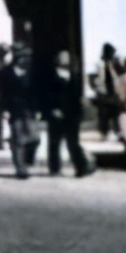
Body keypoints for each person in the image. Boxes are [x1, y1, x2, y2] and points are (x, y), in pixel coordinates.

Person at [36, 50, 96, 178]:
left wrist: (79, 113)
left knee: (73, 143)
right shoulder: (51, 77)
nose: (65, 61)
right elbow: (46, 96)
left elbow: (77, 97)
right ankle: (54, 168)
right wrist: (52, 109)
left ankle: (81, 167)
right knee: (54, 143)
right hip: (56, 114)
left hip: (71, 115)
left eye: (67, 58)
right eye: (63, 58)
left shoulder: (74, 76)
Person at [0, 45, 37, 178]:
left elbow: (35, 93)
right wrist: (4, 109)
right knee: (18, 139)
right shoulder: (5, 73)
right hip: (13, 109)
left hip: (28, 110)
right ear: (17, 58)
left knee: (34, 138)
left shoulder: (30, 73)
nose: (26, 60)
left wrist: (36, 109)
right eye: (24, 57)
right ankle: (20, 168)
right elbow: (2, 94)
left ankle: (27, 160)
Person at [90, 43, 123, 141]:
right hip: (103, 93)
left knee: (116, 115)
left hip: (115, 93)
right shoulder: (98, 64)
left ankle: (118, 132)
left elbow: (121, 76)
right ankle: (104, 132)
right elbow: (93, 78)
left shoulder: (116, 64)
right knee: (104, 115)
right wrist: (96, 87)